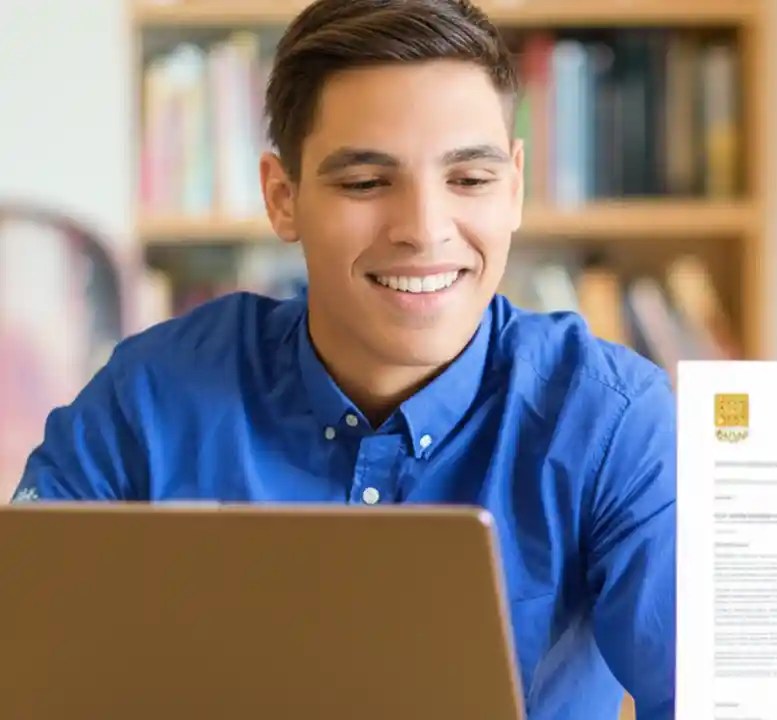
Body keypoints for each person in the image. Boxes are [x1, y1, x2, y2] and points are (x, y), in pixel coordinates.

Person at [10, 1, 676, 718]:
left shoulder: (613, 419)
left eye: (470, 180)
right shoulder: (148, 398)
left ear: (513, 186)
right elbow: (23, 656)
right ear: (282, 196)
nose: (424, 231)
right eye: (366, 183)